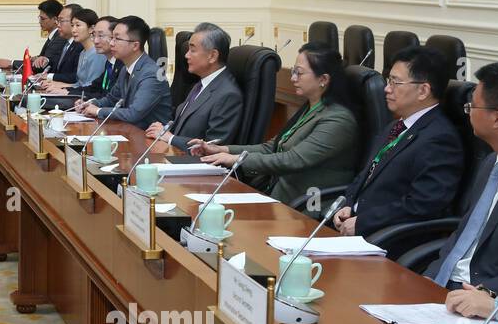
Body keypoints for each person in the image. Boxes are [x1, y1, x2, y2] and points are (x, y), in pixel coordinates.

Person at [192, 43, 358, 207]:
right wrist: (223, 150)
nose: (293, 78)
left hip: (308, 205)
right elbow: (272, 147)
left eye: (299, 73)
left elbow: (293, 160)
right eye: (293, 71)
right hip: (282, 194)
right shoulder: (310, 107)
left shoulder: (338, 120)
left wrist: (236, 159)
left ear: (323, 79)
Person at [333, 46, 462, 236]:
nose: (386, 89)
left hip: (389, 238)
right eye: (388, 80)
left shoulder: (440, 139)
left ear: (423, 90)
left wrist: (363, 222)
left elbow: (423, 204)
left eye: (395, 82)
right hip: (357, 227)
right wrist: (348, 204)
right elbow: (367, 174)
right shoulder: (397, 125)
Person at [429, 62, 498, 310]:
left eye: (472, 106)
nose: (468, 113)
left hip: (484, 303)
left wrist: (494, 303)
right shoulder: (491, 162)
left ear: (497, 118)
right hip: (444, 289)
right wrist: (431, 276)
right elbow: (464, 233)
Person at [146, 22, 242, 152]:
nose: (186, 55)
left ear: (212, 56)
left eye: (192, 50)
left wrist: (170, 138)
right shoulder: (201, 84)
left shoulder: (228, 95)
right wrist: (164, 130)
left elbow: (213, 147)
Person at [76, 15, 172, 131]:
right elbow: (112, 99)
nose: (111, 43)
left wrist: (97, 111)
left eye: (117, 39)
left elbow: (134, 113)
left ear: (135, 45)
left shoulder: (152, 74)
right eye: (112, 38)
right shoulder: (125, 68)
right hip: (129, 131)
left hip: (151, 139)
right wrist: (91, 104)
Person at [0, 0, 66, 71]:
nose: (39, 22)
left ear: (55, 20)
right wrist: (35, 59)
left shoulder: (59, 38)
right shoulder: (53, 36)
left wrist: (11, 63)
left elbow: (41, 66)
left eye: (43, 19)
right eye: (39, 18)